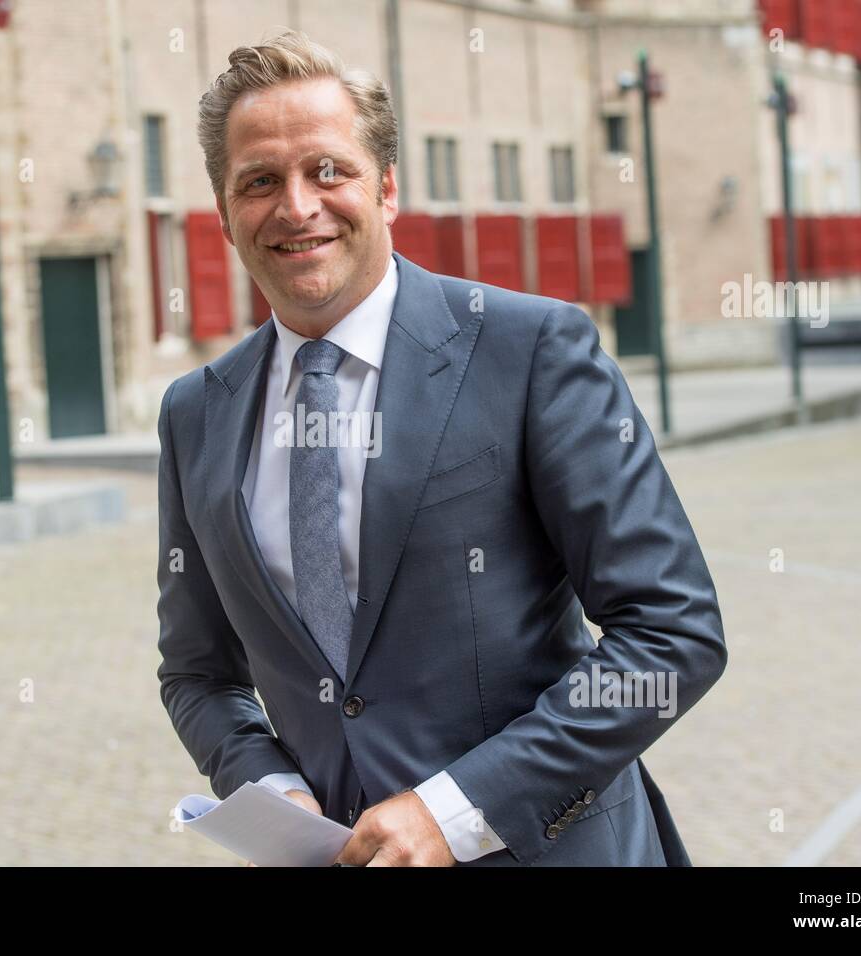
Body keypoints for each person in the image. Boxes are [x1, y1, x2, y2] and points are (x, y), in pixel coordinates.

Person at [156, 30, 727, 866]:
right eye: (259, 182)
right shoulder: (195, 413)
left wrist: (454, 810)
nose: (296, 206)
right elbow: (197, 675)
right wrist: (269, 788)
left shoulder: (530, 351)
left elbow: (673, 636)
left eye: (328, 170)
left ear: (386, 187)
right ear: (224, 214)